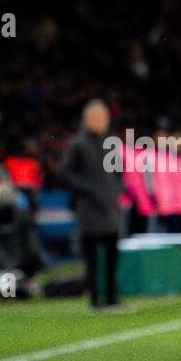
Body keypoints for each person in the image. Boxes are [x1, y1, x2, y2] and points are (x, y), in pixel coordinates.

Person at [57, 100, 123, 309]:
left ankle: (113, 298)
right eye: (95, 118)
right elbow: (65, 174)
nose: (100, 122)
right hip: (89, 211)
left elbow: (117, 173)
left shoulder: (111, 142)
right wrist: (87, 189)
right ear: (87, 120)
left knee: (112, 258)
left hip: (110, 209)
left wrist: (114, 192)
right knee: (93, 260)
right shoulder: (78, 144)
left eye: (103, 118)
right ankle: (95, 300)